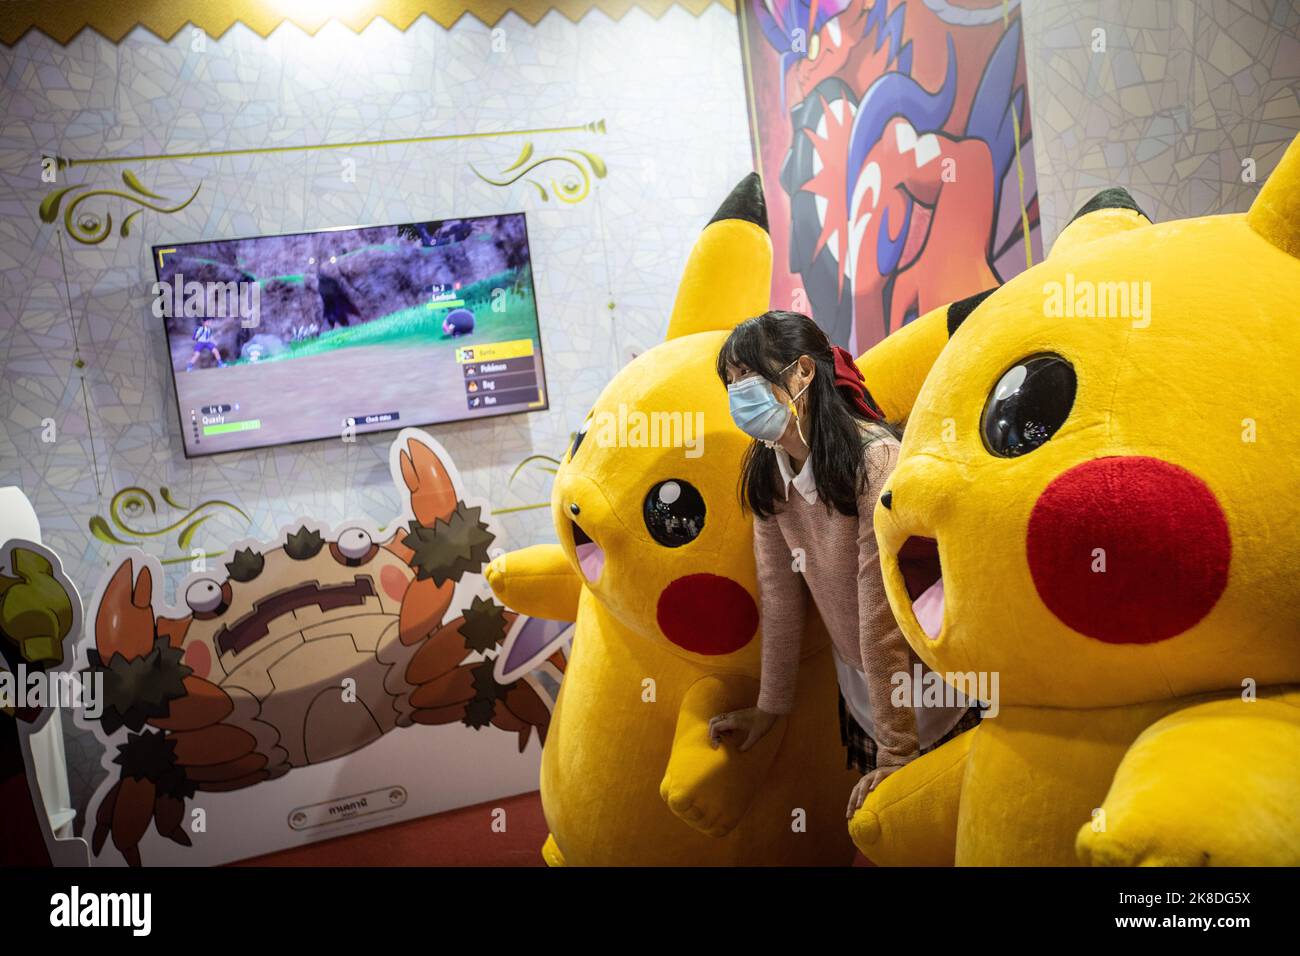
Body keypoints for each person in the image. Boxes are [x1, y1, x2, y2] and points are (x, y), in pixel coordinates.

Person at [708, 310, 978, 817]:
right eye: (731, 381)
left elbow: (882, 613)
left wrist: (896, 752)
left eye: (749, 374)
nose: (738, 392)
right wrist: (770, 707)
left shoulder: (875, 461)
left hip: (928, 675)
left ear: (803, 372)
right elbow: (780, 595)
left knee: (946, 826)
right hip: (862, 686)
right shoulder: (769, 469)